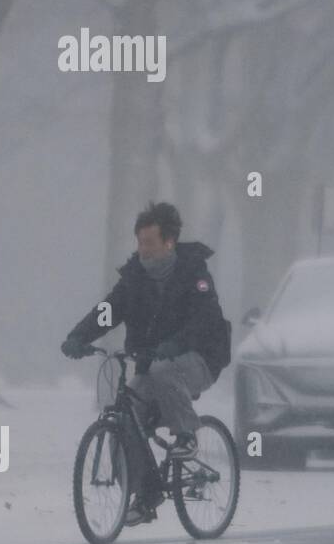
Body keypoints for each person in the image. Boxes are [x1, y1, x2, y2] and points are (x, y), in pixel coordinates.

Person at [61, 202, 231, 525]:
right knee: (126, 416)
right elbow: (108, 311)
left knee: (164, 371)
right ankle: (146, 493)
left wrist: (175, 344)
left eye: (149, 243)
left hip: (200, 358)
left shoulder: (193, 272)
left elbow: (205, 319)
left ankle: (187, 436)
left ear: (169, 242)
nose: (143, 250)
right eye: (139, 242)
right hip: (152, 362)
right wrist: (79, 337)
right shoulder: (135, 278)